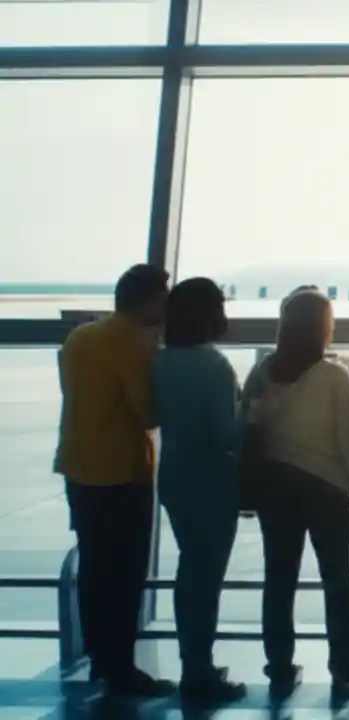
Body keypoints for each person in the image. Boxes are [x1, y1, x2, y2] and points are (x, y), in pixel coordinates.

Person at [242, 288, 349, 698]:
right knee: (337, 581)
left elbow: (247, 428)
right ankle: (344, 668)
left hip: (275, 488)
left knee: (278, 580)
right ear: (324, 327)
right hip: (326, 489)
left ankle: (279, 665)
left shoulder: (262, 372)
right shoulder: (335, 377)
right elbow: (347, 440)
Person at [55, 263, 174, 697]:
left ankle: (101, 662)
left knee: (94, 571)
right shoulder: (129, 346)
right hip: (120, 472)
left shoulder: (81, 337)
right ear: (147, 302)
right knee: (124, 575)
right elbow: (147, 413)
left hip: (78, 467)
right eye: (164, 299)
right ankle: (121, 668)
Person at [152, 278, 245, 702]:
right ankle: (199, 671)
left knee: (189, 572)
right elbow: (226, 434)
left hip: (174, 477)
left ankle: (193, 660)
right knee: (206, 579)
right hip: (211, 483)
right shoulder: (214, 366)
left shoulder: (162, 361)